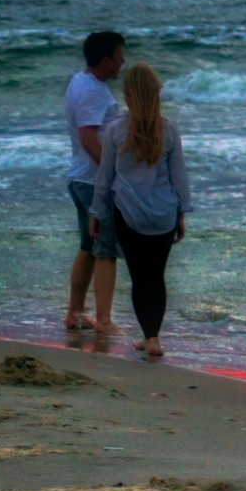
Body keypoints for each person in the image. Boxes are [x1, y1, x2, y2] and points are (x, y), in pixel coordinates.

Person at [89, 63, 192, 358]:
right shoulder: (169, 130)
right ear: (155, 93)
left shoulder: (115, 131)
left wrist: (96, 214)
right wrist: (181, 213)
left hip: (129, 213)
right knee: (157, 276)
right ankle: (154, 337)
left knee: (139, 278)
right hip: (164, 215)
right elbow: (178, 177)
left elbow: (105, 177)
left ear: (129, 95)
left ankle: (149, 336)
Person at [64, 31, 126, 337]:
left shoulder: (81, 81)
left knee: (88, 247)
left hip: (81, 177)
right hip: (91, 182)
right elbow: (88, 137)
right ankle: (103, 320)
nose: (122, 61)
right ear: (105, 60)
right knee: (106, 249)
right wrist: (111, 176)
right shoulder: (94, 92)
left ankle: (74, 313)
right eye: (118, 56)